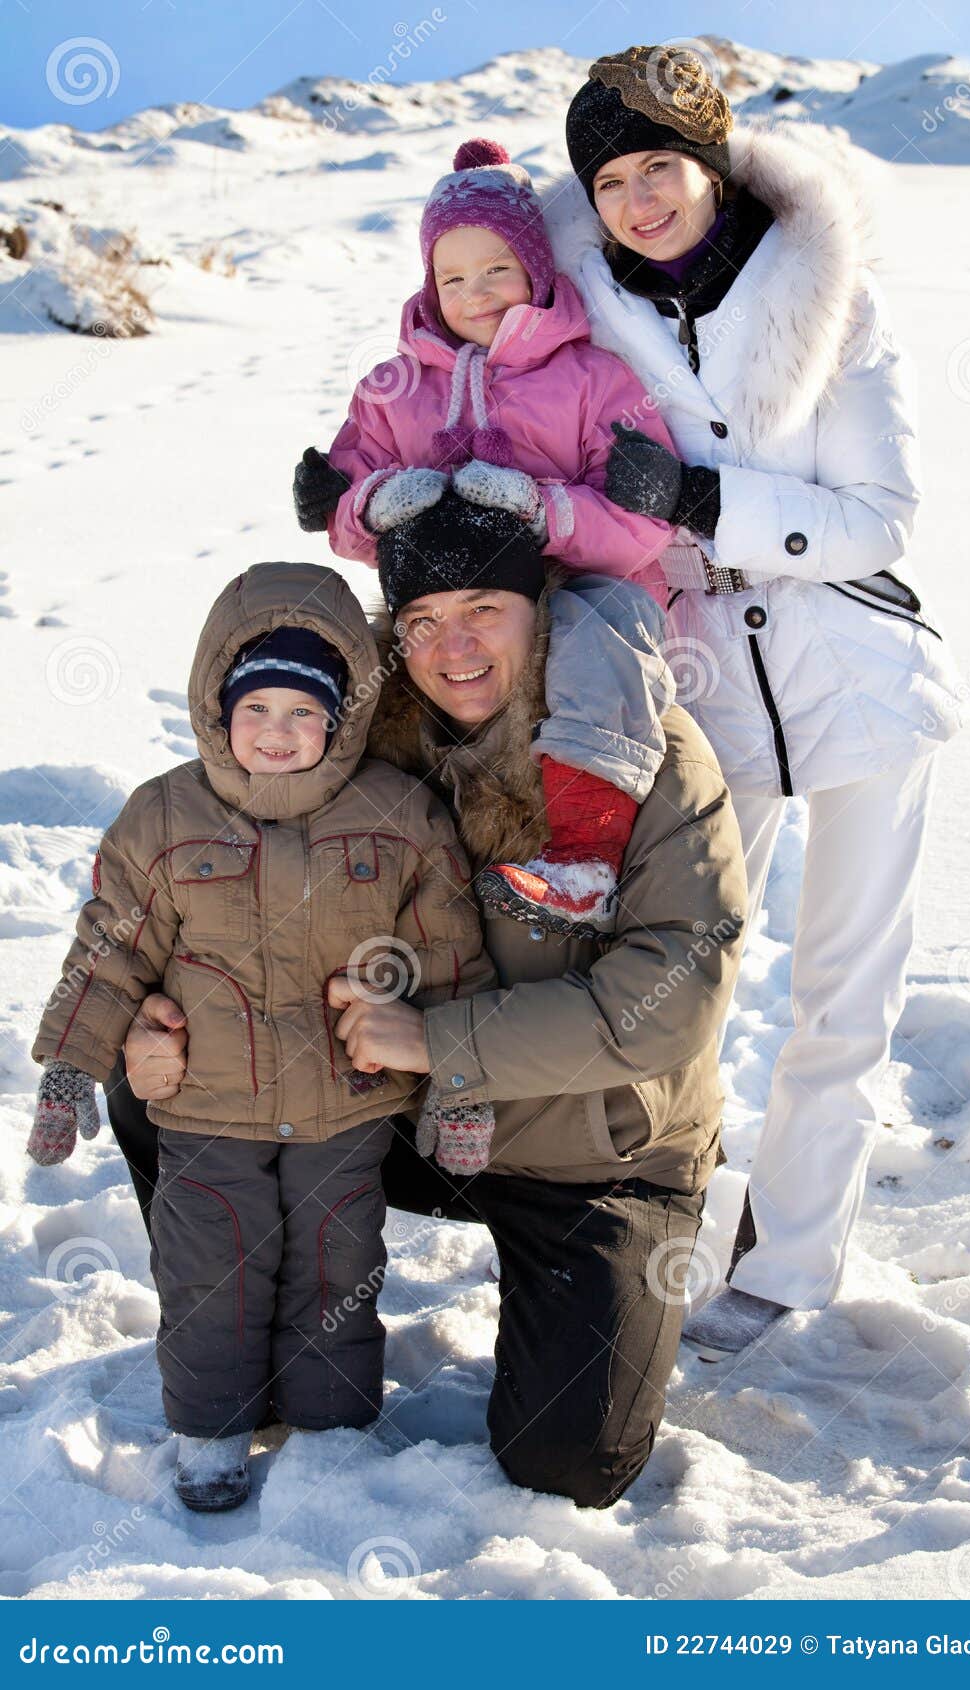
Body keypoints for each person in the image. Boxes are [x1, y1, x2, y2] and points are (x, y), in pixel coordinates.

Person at [114, 500, 749, 1509]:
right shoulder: (357, 743)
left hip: (591, 1153)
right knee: (168, 1089)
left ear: (539, 607)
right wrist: (156, 1019)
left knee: (566, 1464)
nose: (453, 648)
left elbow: (671, 999)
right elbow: (216, 893)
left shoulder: (639, 752)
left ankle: (679, 1238)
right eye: (422, 621)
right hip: (407, 1118)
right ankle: (248, 1341)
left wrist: (439, 1038)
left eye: (483, 610)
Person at [539, 44, 966, 1356]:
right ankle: (682, 1216)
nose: (637, 201)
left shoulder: (830, 294)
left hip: (860, 678)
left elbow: (877, 516)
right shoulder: (583, 313)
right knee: (686, 976)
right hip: (704, 685)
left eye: (657, 167)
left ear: (710, 165)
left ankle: (788, 1262)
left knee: (841, 988)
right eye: (608, 181)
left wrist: (702, 501)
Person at [29, 561, 494, 1513]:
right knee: (211, 1272)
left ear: (343, 717)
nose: (277, 733)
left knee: (337, 1267)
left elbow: (450, 959)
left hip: (343, 1108)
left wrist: (461, 1085)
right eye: (256, 709)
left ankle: (330, 1432)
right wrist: (71, 1065)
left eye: (303, 712)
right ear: (216, 707)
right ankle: (210, 1433)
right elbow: (110, 951)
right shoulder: (165, 816)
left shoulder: (397, 814)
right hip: (208, 1111)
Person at [294, 137, 682, 936]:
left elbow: (644, 517)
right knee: (365, 667)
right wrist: (376, 504)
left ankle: (583, 862)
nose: (475, 294)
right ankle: (330, 845)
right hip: (447, 609)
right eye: (452, 278)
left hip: (581, 599)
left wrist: (543, 510)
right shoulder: (393, 387)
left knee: (593, 639)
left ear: (535, 269)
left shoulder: (591, 377)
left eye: (496, 270)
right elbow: (341, 507)